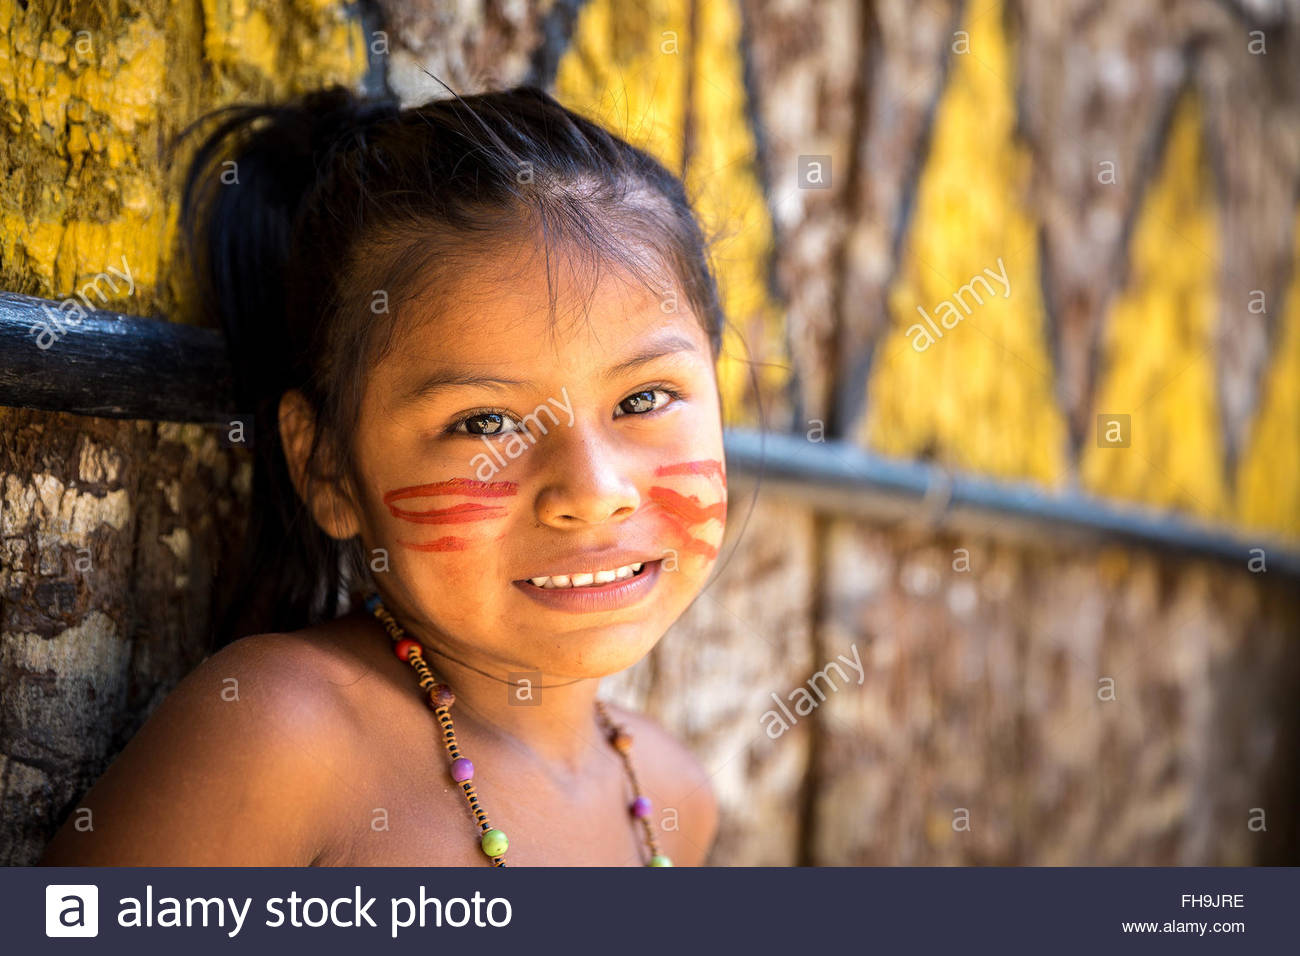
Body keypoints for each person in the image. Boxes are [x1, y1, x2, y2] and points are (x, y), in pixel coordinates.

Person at [41, 84, 728, 866]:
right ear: (327, 468)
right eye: (484, 424)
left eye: (645, 398)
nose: (596, 490)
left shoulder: (675, 798)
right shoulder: (283, 742)